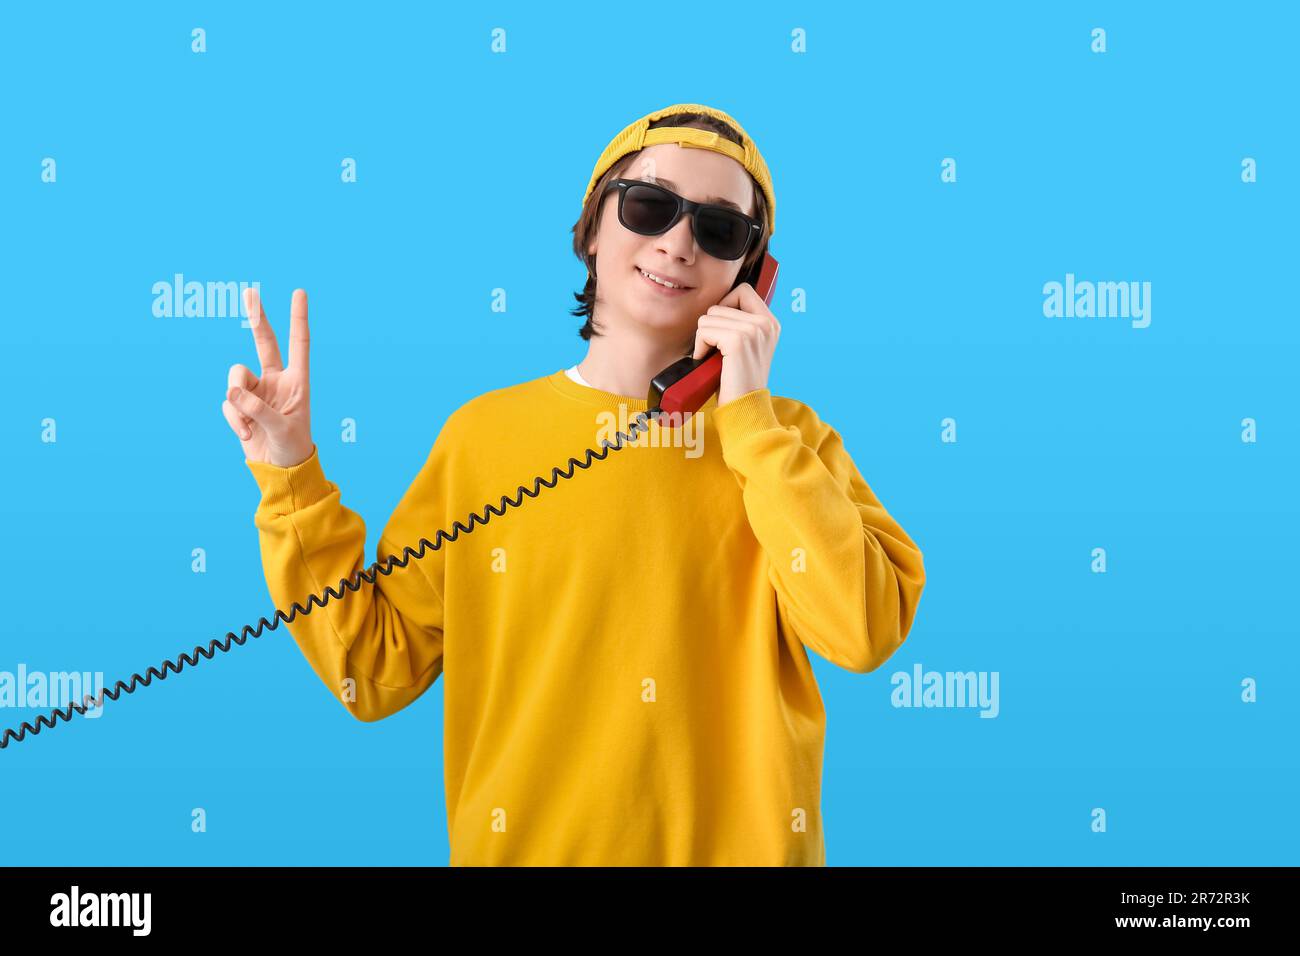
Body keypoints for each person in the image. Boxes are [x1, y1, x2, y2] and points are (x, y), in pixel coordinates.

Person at [221, 103, 926, 866]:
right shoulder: (482, 439)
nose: (678, 242)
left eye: (720, 229)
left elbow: (863, 630)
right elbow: (371, 668)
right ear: (593, 228)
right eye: (650, 206)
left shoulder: (789, 441)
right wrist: (289, 474)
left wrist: (749, 422)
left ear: (753, 276)